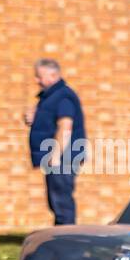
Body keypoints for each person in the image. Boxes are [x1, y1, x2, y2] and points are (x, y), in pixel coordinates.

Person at [23, 58, 87, 225]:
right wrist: (34, 118)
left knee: (62, 203)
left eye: (39, 76)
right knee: (56, 202)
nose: (36, 80)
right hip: (56, 158)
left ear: (52, 75)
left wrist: (56, 155)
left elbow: (65, 126)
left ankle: (66, 240)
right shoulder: (50, 97)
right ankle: (62, 238)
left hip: (61, 158)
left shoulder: (63, 96)